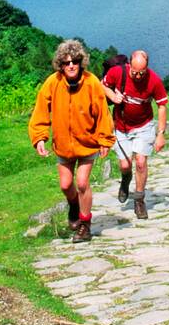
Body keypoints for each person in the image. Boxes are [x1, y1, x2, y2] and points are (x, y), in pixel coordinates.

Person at [28, 39, 114, 243]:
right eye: (66, 63)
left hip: (87, 143)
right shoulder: (53, 82)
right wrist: (40, 137)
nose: (71, 66)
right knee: (67, 185)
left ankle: (85, 225)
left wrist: (104, 139)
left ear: (81, 61)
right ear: (60, 64)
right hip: (63, 146)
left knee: (82, 183)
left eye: (75, 61)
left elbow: (103, 113)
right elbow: (41, 109)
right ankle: (74, 205)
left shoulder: (91, 82)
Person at [102, 50, 168, 220]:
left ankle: (139, 200)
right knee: (125, 165)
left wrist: (160, 134)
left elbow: (162, 106)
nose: (138, 76)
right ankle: (125, 180)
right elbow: (101, 85)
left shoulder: (154, 80)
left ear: (147, 68)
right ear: (129, 65)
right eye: (135, 72)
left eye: (142, 72)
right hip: (121, 126)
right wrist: (113, 95)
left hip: (144, 126)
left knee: (140, 162)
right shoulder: (117, 72)